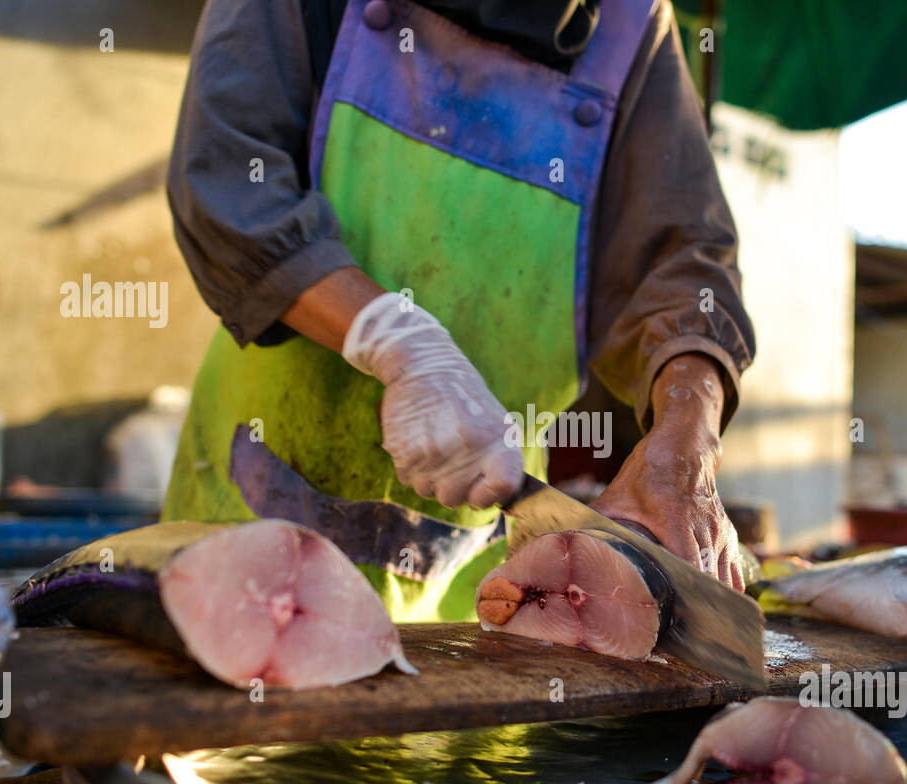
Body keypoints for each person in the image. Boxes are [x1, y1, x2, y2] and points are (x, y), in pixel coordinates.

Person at [162, 0, 755, 622]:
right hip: (253, 550)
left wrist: (687, 442)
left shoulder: (636, 24)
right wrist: (393, 341)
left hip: (492, 581)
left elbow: (686, 263)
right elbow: (230, 184)